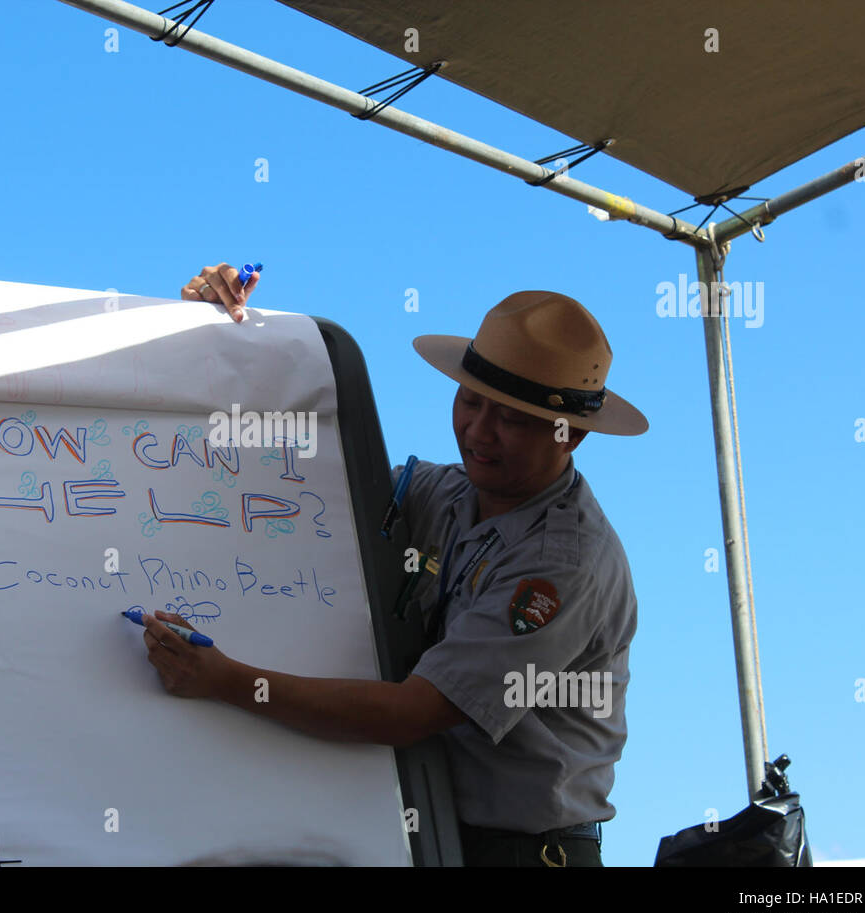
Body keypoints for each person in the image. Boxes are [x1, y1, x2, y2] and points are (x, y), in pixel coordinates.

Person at [139, 263, 648, 866]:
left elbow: (415, 713)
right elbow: (295, 479)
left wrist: (226, 681)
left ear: (571, 435)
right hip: (411, 830)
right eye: (470, 401)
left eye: (510, 419)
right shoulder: (438, 494)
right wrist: (227, 334)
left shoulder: (562, 564)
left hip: (522, 854)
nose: (478, 432)